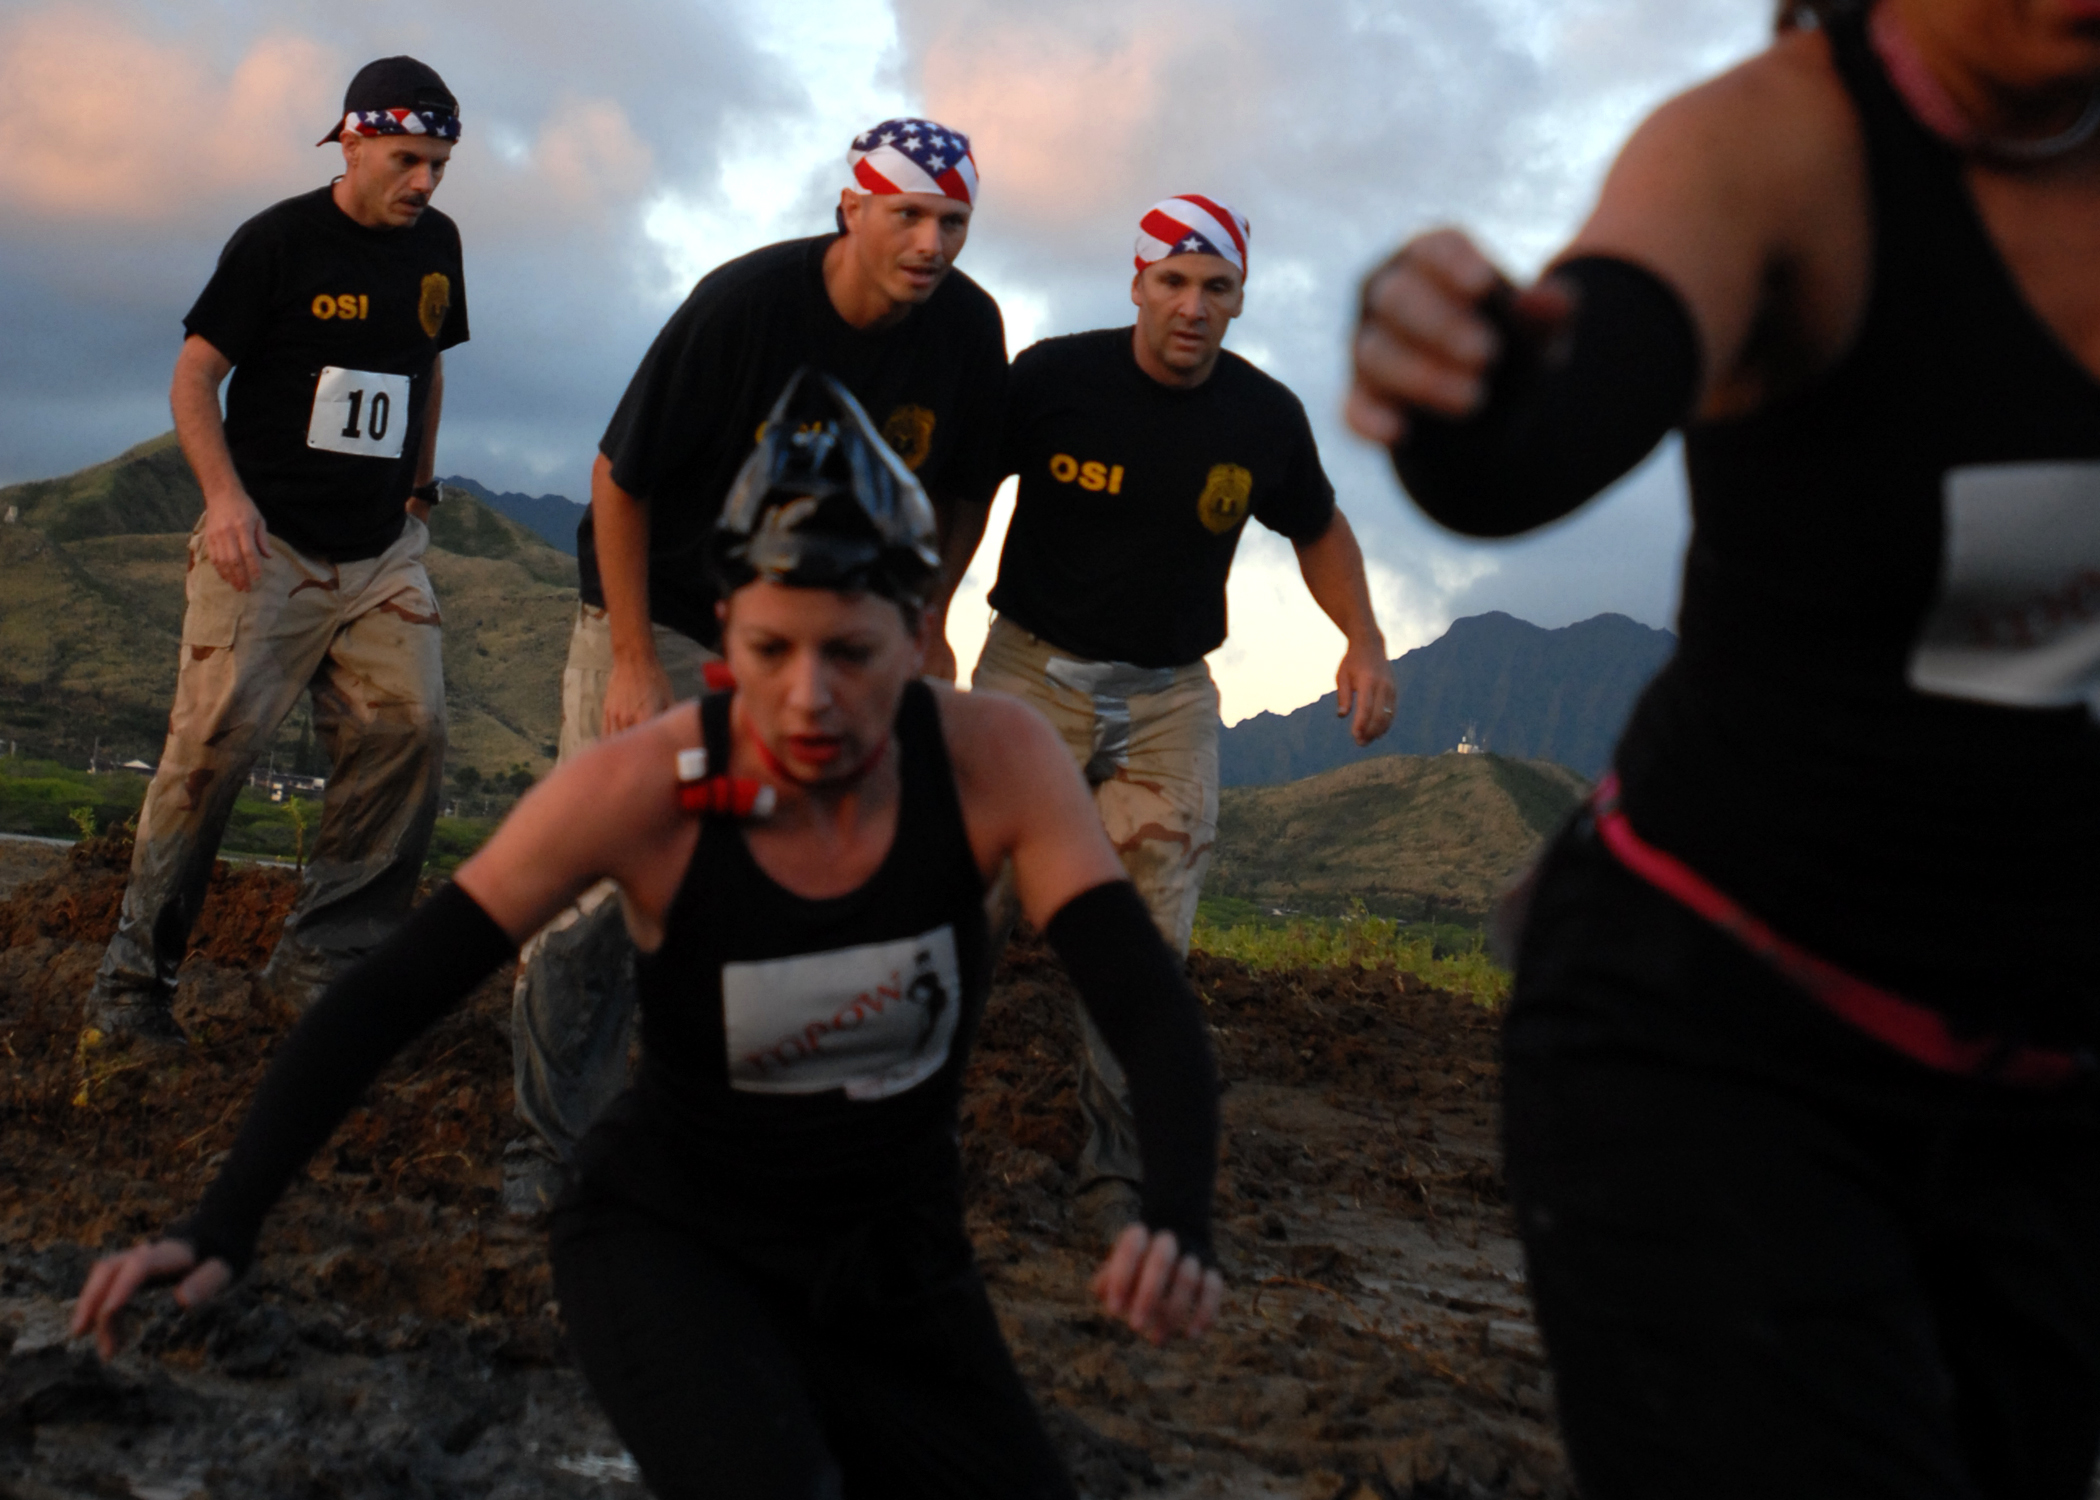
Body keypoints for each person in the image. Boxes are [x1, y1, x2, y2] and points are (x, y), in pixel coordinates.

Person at [72, 372, 1224, 1499]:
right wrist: (222, 1224)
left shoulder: (995, 761)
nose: (811, 699)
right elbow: (391, 996)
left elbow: (1139, 993)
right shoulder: (647, 791)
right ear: (725, 628)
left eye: (853, 655)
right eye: (773, 653)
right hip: (675, 1248)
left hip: (895, 1261)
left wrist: (1175, 1208)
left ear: (918, 633)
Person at [1349, 0, 2100, 1494]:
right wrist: (1463, 376)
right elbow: (1562, 409)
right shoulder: (1769, 145)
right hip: (1715, 1044)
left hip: (2030, 1076)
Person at [504, 118, 1010, 1217]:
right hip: (675, 606)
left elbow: (968, 487)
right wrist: (633, 659)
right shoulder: (748, 307)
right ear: (852, 209)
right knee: (605, 881)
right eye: (909, 215)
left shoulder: (969, 330)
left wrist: (928, 614)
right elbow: (618, 479)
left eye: (954, 223)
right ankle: (554, 1150)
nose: (931, 243)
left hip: (826, 640)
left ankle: (782, 1143)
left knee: (807, 869)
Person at [970, 194, 1397, 1239]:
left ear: (1241, 298)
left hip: (1166, 694)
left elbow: (1319, 527)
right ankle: (887, 1134)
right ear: (1136, 284)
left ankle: (1116, 1176)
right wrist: (924, 626)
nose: (1192, 307)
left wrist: (1365, 637)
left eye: (1215, 288)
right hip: (1028, 675)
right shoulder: (1055, 379)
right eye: (1173, 282)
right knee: (951, 906)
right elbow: (958, 494)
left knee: (1146, 944)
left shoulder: (1262, 418)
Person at [82, 57, 468, 1051]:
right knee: (208, 760)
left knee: (411, 732)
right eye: (407, 159)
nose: (424, 182)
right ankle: (130, 994)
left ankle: (322, 965)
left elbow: (426, 366)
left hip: (381, 552)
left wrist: (418, 491)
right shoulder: (278, 241)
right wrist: (222, 503)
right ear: (352, 141)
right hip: (268, 546)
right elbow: (193, 377)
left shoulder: (439, 246)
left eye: (439, 163)